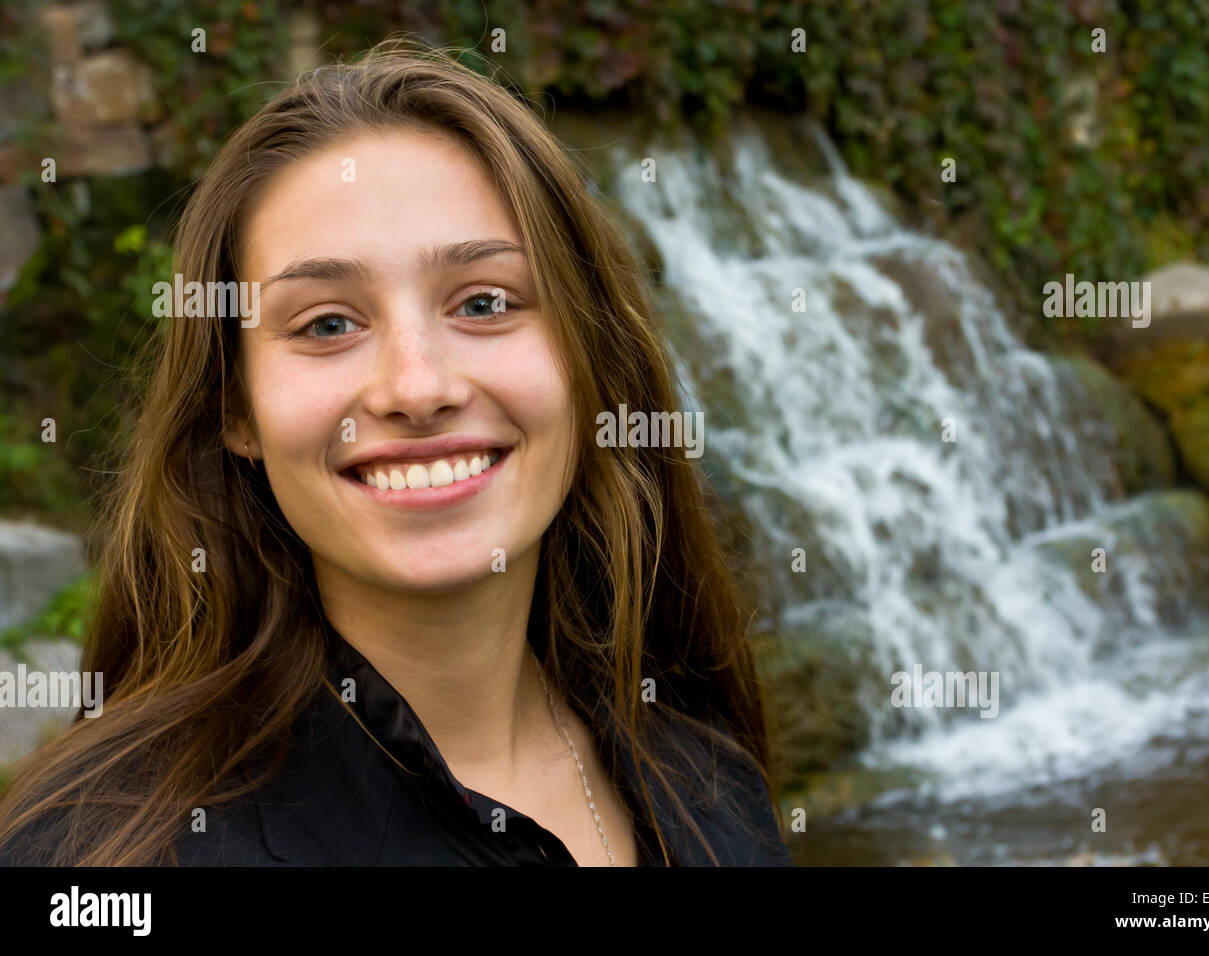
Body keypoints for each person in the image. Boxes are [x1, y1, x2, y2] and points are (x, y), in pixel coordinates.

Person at [0, 42, 792, 867]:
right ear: (236, 408)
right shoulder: (98, 855)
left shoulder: (711, 785)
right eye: (327, 324)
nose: (417, 388)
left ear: (589, 360)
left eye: (485, 302)